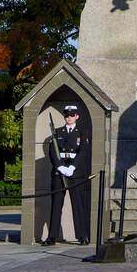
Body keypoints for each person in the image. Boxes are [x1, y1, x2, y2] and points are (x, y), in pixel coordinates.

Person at [46, 104, 91, 245]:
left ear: (77, 116)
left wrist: (72, 167)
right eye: (66, 115)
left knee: (78, 205)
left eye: (72, 115)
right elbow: (53, 151)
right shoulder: (57, 133)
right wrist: (60, 167)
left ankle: (82, 236)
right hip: (59, 173)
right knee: (56, 205)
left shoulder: (82, 132)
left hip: (75, 172)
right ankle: (52, 236)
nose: (69, 117)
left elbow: (83, 151)